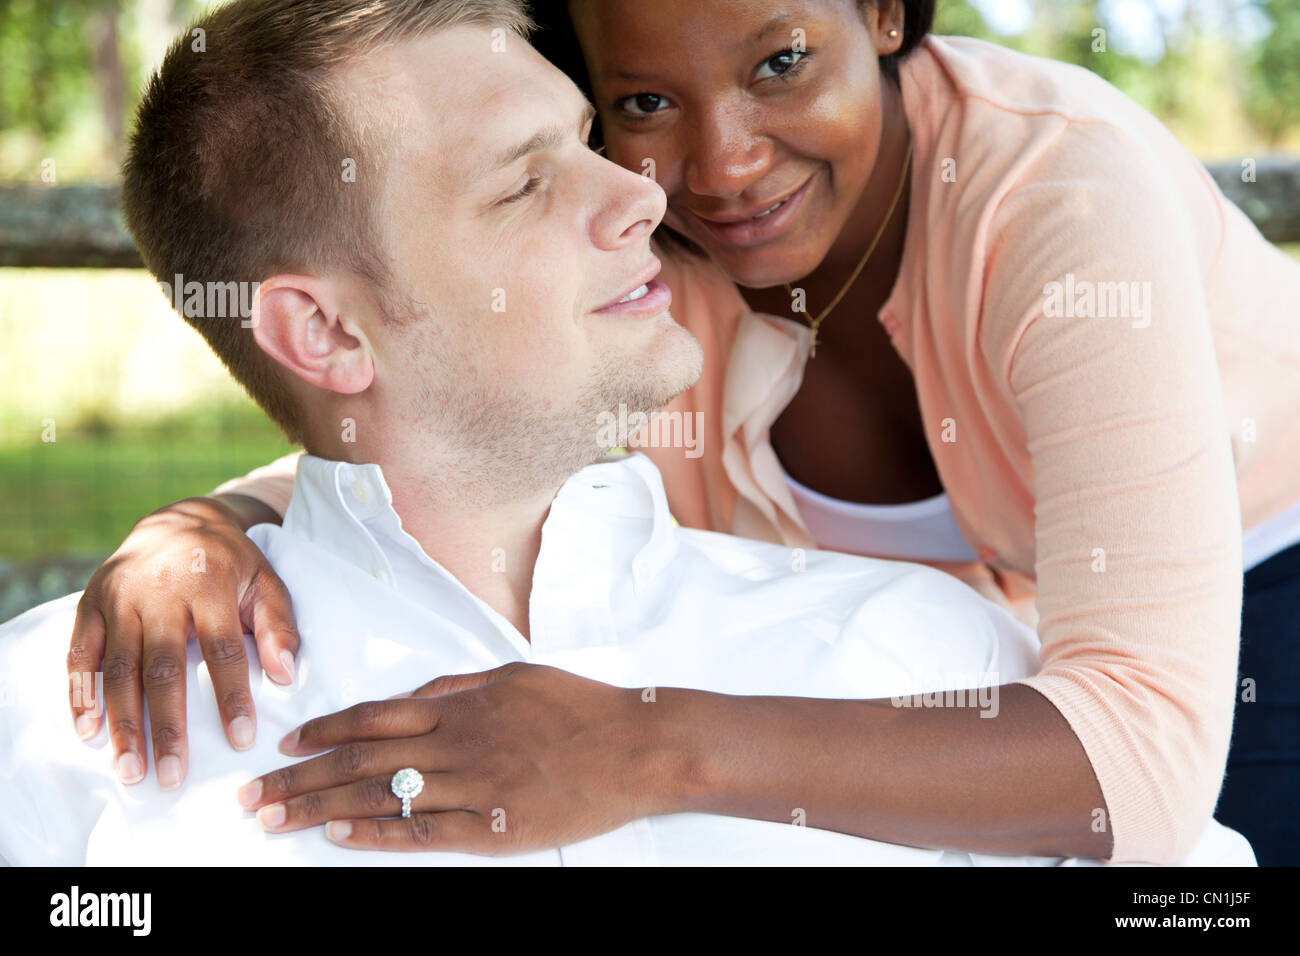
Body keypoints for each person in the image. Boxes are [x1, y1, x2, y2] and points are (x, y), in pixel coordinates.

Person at [4, 0, 1257, 866]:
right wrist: (208, 518)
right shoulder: (59, 718)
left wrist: (646, 740)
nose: (663, 185)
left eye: (780, 60)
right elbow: (424, 434)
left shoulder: (1056, 202)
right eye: (537, 170)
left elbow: (1144, 771)